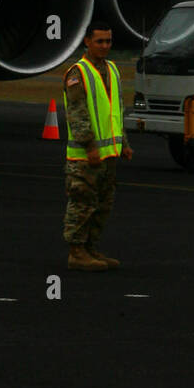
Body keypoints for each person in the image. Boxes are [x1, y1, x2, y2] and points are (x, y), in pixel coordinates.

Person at [62, 21, 133, 270]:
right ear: (87, 42)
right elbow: (77, 113)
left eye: (109, 41)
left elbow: (115, 111)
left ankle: (91, 248)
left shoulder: (112, 69)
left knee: (103, 204)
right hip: (85, 156)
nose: (105, 46)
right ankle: (77, 251)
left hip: (108, 155)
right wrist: (90, 146)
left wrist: (123, 143)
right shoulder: (77, 73)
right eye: (100, 41)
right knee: (82, 203)